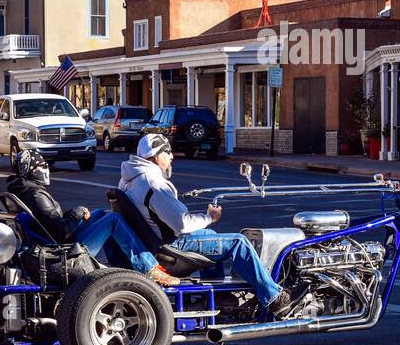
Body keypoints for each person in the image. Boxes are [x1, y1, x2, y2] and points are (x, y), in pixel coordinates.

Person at [120, 133, 291, 317]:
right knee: (238, 242)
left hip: (153, 240)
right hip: (170, 246)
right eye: (167, 151)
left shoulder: (129, 179)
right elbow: (183, 223)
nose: (172, 156)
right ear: (155, 156)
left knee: (208, 235)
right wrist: (209, 216)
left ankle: (219, 297)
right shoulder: (153, 183)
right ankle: (273, 296)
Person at [5, 150, 179, 286]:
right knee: (113, 220)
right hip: (64, 251)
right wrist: (77, 212)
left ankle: (122, 267)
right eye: (42, 166)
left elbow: (49, 221)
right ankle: (148, 268)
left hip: (56, 242)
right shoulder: (36, 195)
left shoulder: (24, 190)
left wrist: (74, 213)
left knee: (100, 214)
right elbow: (60, 231)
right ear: (32, 170)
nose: (46, 170)